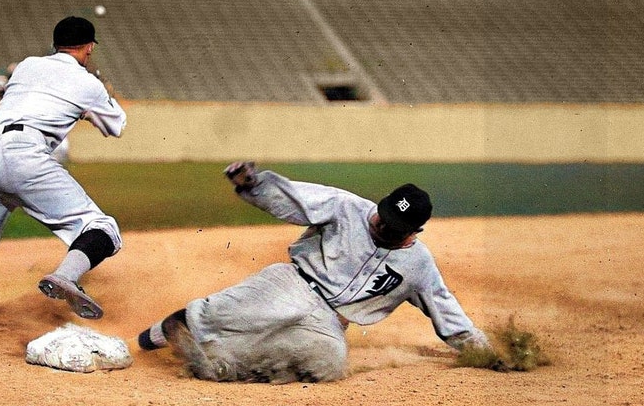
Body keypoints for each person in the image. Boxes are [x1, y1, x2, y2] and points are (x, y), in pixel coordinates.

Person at [137, 162, 490, 382]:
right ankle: (160, 334)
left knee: (329, 362)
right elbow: (295, 199)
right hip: (294, 284)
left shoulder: (419, 265)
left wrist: (485, 351)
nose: (383, 226)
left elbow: (447, 312)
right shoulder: (347, 207)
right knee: (228, 313)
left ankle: (221, 367)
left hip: (329, 322)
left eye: (395, 226)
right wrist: (253, 184)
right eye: (384, 217)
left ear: (414, 230)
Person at [0, 16, 127, 346]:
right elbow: (115, 127)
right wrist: (99, 96)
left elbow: (38, 96)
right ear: (89, 47)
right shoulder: (87, 82)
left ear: (55, 44)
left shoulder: (26, 66)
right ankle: (66, 277)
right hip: (21, 154)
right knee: (102, 229)